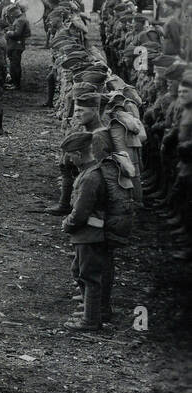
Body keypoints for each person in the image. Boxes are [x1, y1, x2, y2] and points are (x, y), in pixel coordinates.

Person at [60, 129, 134, 330]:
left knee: (89, 276)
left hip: (89, 235)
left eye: (69, 155)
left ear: (78, 154)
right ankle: (92, 311)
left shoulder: (90, 177)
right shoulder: (91, 171)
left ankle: (91, 320)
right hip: (90, 234)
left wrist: (67, 223)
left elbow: (81, 212)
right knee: (80, 271)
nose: (68, 159)